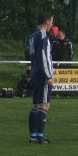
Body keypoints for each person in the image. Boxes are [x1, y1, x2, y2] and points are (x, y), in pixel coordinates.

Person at [27, 13, 55, 144]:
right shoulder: (44, 36)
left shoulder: (33, 35)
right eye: (51, 22)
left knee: (36, 105)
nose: (52, 25)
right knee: (45, 104)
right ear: (47, 22)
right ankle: (39, 136)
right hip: (42, 74)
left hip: (35, 73)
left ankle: (33, 135)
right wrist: (49, 75)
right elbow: (44, 57)